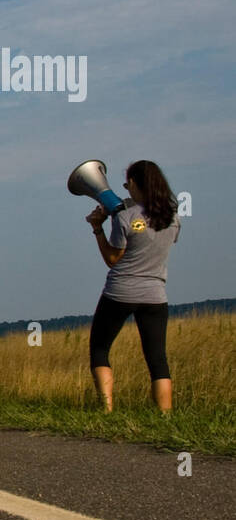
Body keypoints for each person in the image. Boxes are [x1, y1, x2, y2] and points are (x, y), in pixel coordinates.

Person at [86, 161, 180, 414]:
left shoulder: (125, 217)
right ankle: (165, 415)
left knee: (100, 348)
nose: (126, 189)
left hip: (120, 291)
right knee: (157, 358)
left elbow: (112, 259)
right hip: (155, 295)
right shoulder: (173, 217)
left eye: (128, 184)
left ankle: (106, 409)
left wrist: (97, 228)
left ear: (136, 184)